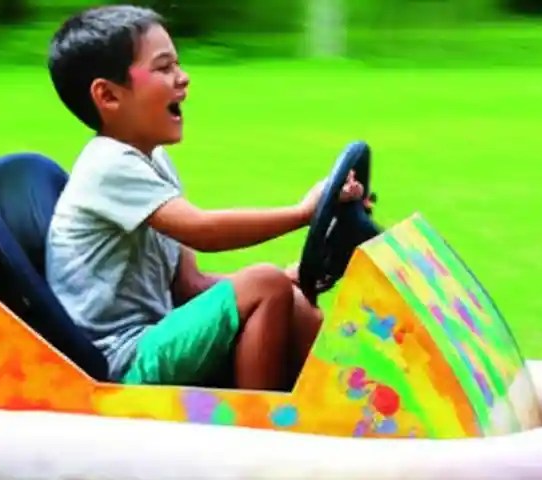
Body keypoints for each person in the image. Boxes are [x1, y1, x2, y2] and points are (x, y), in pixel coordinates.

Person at [44, 4, 364, 391]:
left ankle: (335, 410)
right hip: (122, 362)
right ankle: (255, 435)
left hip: (157, 336)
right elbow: (203, 231)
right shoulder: (107, 166)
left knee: (296, 303)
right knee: (264, 284)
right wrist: (303, 213)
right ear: (109, 96)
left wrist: (290, 277)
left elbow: (189, 286)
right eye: (164, 68)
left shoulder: (153, 161)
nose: (183, 79)